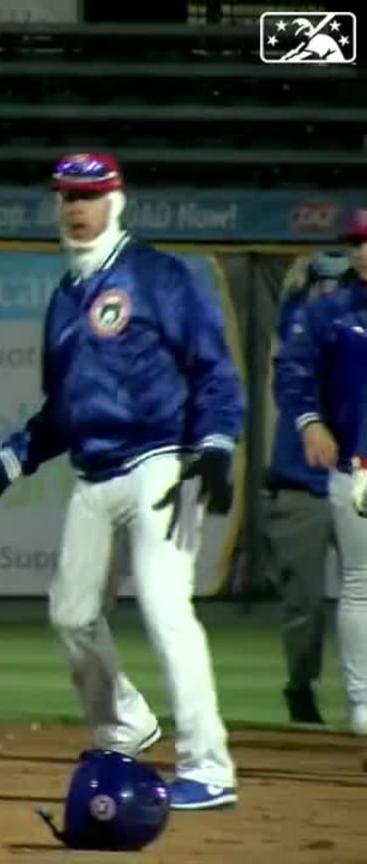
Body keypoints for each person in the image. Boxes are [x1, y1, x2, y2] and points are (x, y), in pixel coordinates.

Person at [0, 152, 242, 811]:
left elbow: (214, 370)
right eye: (66, 197)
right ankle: (124, 725)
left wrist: (217, 446)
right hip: (96, 475)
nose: (77, 208)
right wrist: (10, 462)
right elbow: (63, 409)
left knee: (168, 607)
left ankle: (210, 765)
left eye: (89, 195)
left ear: (117, 200)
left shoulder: (159, 275)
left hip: (165, 462)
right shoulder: (65, 298)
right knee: (72, 614)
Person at [275, 207, 367, 737]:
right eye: (356, 242)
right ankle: (359, 703)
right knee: (358, 585)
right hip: (357, 467)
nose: (361, 250)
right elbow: (293, 372)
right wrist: (311, 421)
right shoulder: (329, 310)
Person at [264, 249, 351, 728]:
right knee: (305, 604)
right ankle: (301, 688)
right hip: (301, 483)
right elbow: (296, 330)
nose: (331, 291)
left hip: (354, 479)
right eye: (324, 283)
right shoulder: (302, 321)